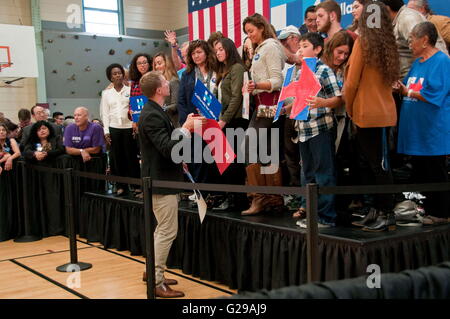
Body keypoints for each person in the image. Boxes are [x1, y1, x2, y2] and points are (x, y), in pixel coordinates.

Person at [138, 70, 207, 298]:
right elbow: (167, 148)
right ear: (159, 89)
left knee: (162, 230)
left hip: (164, 177)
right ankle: (157, 281)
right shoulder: (152, 115)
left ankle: (153, 272)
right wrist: (186, 129)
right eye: (165, 82)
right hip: (160, 181)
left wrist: (183, 128)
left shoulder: (156, 111)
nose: (169, 83)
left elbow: (167, 145)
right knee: (167, 231)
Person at [344, 1, 400, 232]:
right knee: (379, 166)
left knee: (375, 167)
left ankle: (385, 213)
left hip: (365, 114)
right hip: (386, 112)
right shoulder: (388, 44)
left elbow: (351, 83)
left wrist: (349, 108)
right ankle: (378, 210)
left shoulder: (363, 43)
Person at [396, 22, 450, 225]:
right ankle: (426, 208)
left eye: (411, 39)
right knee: (422, 171)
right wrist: (399, 87)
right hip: (416, 130)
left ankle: (440, 213)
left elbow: (435, 94)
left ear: (424, 40)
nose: (409, 43)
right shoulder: (418, 62)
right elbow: (408, 86)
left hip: (432, 131)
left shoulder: (442, 62)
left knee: (435, 171)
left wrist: (408, 92)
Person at [291, 33, 343, 228]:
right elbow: (299, 100)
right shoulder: (299, 72)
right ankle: (312, 215)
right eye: (300, 47)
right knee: (310, 173)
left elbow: (338, 99)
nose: (300, 50)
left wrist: (323, 102)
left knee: (324, 173)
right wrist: (286, 108)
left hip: (320, 128)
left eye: (304, 46)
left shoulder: (323, 70)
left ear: (318, 49)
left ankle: (326, 217)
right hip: (303, 129)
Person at [240, 13, 285, 216]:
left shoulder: (270, 47)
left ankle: (259, 198)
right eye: (247, 33)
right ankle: (273, 198)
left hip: (269, 105)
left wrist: (256, 85)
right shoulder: (261, 49)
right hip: (261, 105)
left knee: (248, 146)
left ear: (261, 27)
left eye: (251, 31)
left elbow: (277, 80)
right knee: (267, 149)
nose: (249, 36)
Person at [212, 37, 248, 210]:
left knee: (234, 164)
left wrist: (224, 120)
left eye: (220, 49)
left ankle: (238, 200)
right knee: (224, 162)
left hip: (234, 121)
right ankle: (229, 197)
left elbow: (237, 97)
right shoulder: (221, 71)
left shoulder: (237, 68)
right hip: (222, 121)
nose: (218, 52)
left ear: (229, 49)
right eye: (216, 50)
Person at [177, 39, 217, 186]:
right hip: (194, 122)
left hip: (214, 121)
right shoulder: (187, 74)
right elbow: (181, 100)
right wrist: (186, 123)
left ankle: (215, 193)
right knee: (197, 158)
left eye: (199, 52)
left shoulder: (217, 70)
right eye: (193, 53)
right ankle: (200, 191)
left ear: (207, 52)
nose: (196, 56)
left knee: (213, 158)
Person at [379, 0, 448, 79]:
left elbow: (424, 48)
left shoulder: (408, 19)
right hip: (414, 80)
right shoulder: (397, 20)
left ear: (386, 9)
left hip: (429, 80)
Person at [100, 63, 140, 196]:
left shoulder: (130, 90)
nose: (117, 75)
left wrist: (136, 124)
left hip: (129, 128)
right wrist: (106, 131)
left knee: (131, 157)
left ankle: (135, 184)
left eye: (119, 73)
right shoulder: (106, 94)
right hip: (113, 128)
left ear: (123, 75)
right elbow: (105, 113)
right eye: (114, 74)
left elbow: (134, 110)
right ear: (110, 77)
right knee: (117, 158)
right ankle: (120, 185)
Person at [153, 52, 180, 127]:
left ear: (167, 64)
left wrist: (160, 109)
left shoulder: (174, 81)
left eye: (159, 63)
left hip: (174, 123)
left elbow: (175, 105)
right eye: (155, 64)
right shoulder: (157, 83)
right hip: (162, 121)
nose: (157, 67)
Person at [128, 53, 153, 132]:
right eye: (139, 63)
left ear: (149, 64)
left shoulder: (154, 79)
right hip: (139, 120)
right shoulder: (134, 83)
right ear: (136, 66)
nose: (142, 65)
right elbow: (132, 102)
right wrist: (133, 118)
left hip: (152, 117)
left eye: (145, 62)